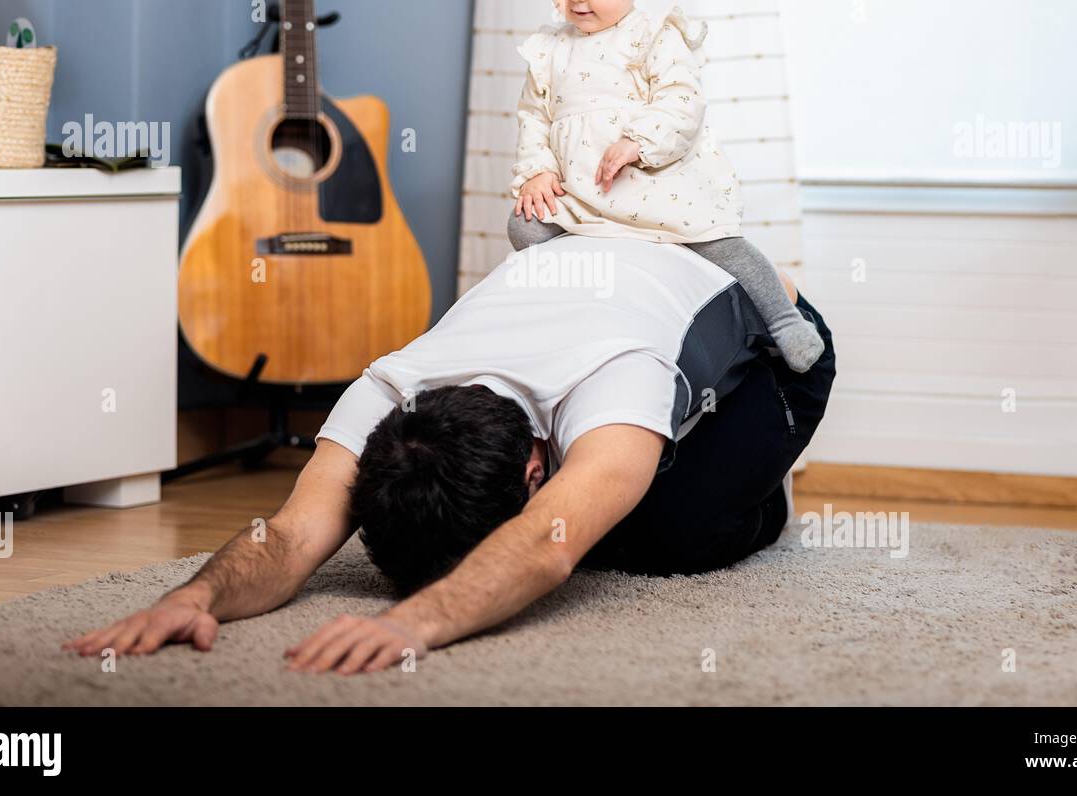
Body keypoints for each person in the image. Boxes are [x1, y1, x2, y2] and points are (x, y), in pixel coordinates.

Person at [62, 235, 835, 676]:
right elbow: (292, 535)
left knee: (660, 535)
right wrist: (193, 598)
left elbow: (548, 546)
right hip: (607, 283)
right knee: (602, 515)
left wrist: (418, 622)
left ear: (540, 466)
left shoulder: (617, 381)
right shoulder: (389, 387)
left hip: (779, 351)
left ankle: (767, 497)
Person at [508, 0, 825, 373]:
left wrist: (639, 141)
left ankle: (784, 321)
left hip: (654, 185)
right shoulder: (549, 48)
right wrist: (538, 172)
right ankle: (577, 289)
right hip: (583, 190)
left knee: (723, 242)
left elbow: (683, 102)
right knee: (524, 226)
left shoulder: (655, 35)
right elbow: (535, 115)